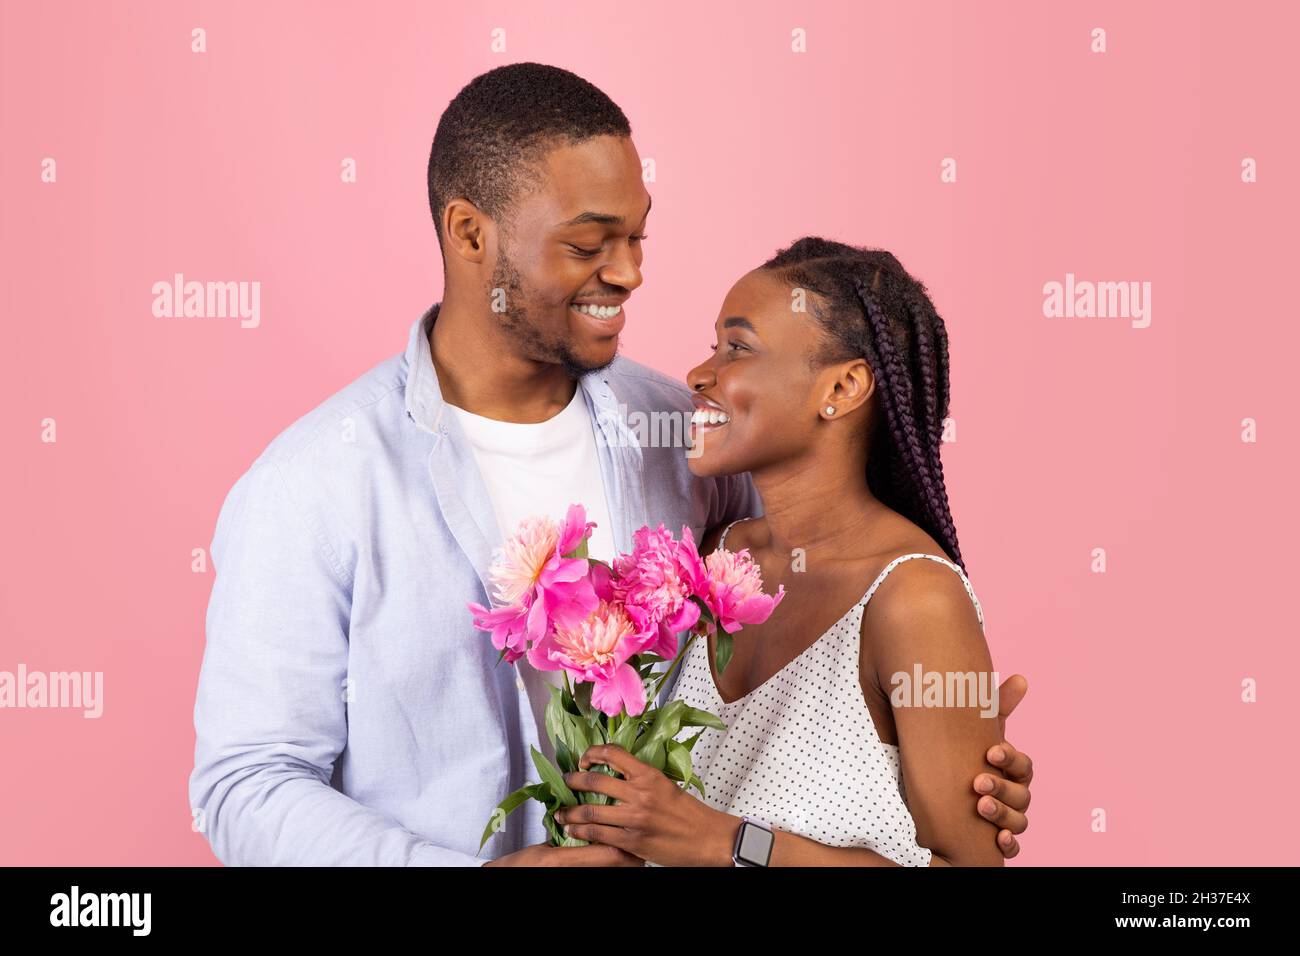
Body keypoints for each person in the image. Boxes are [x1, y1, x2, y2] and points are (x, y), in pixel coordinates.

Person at [188, 63, 1033, 867]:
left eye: (636, 236)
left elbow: (828, 642)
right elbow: (244, 785)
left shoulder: (688, 443)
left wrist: (942, 751)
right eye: (590, 242)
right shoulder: (312, 487)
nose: (629, 273)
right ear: (470, 233)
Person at [558, 239, 1029, 865]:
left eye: (739, 348)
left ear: (843, 385)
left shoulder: (916, 601)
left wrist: (722, 841)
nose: (700, 375)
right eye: (714, 346)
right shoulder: (717, 559)